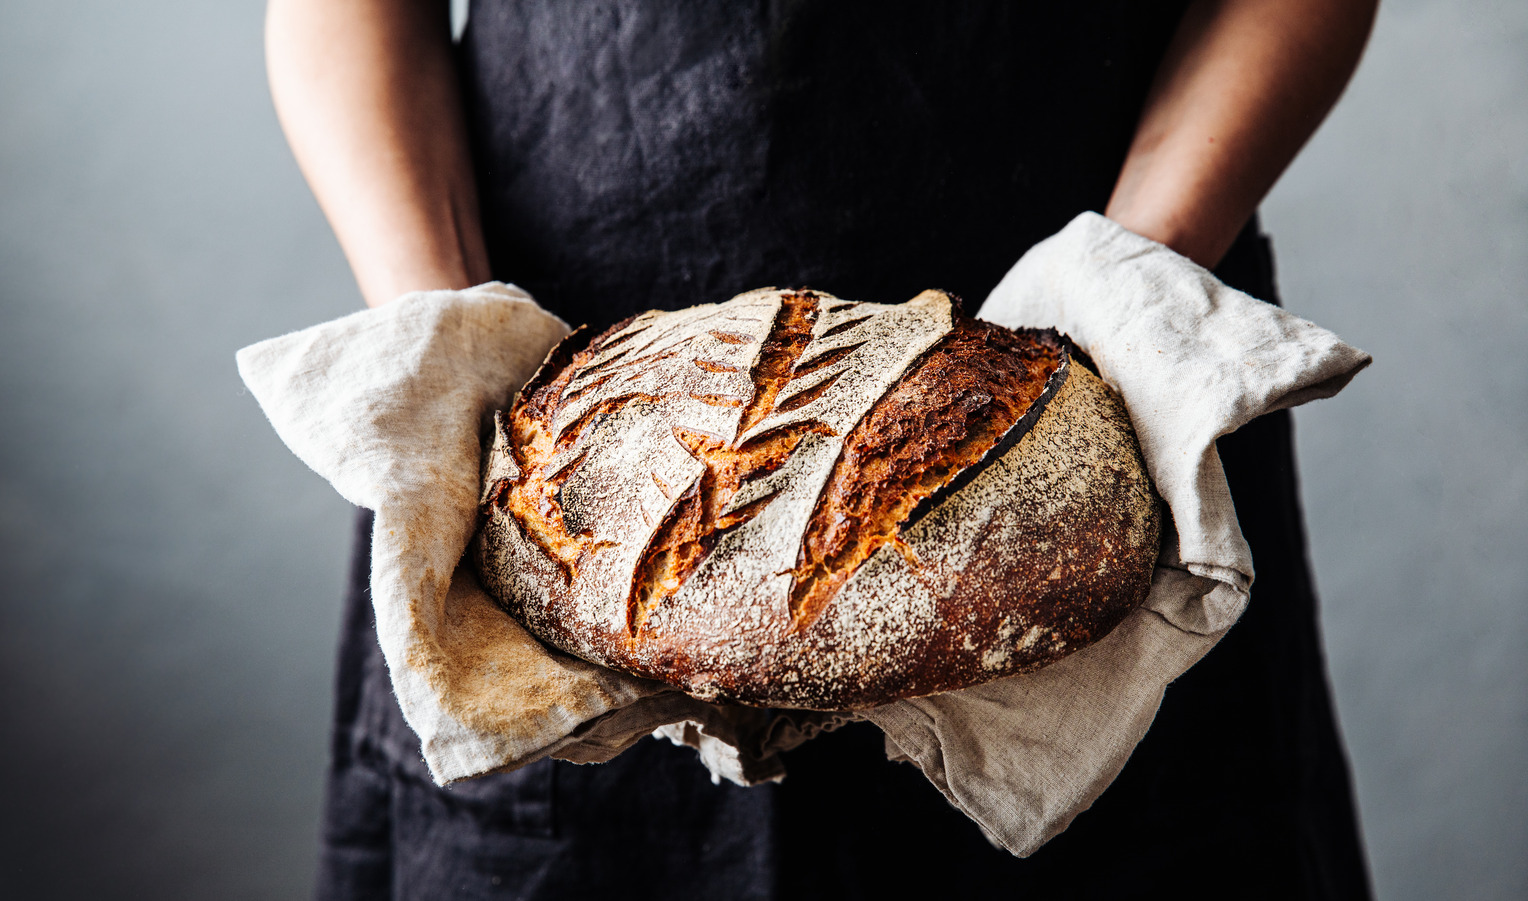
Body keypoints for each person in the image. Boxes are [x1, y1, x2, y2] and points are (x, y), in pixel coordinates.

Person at [265, 1, 1378, 898]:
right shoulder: (523, 438)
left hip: (1100, 372)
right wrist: (451, 331)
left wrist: (1133, 281)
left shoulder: (1105, 359)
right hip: (563, 433)